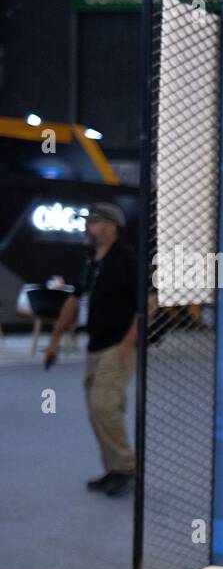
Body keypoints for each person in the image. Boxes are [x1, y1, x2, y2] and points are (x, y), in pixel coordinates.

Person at [45, 202, 138, 499]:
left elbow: (146, 305)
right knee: (97, 408)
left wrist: (127, 345)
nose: (89, 227)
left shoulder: (127, 259)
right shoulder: (90, 259)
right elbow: (75, 299)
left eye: (94, 222)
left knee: (104, 405)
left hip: (117, 345)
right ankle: (113, 469)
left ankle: (125, 467)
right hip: (95, 344)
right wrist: (55, 339)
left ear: (110, 226)